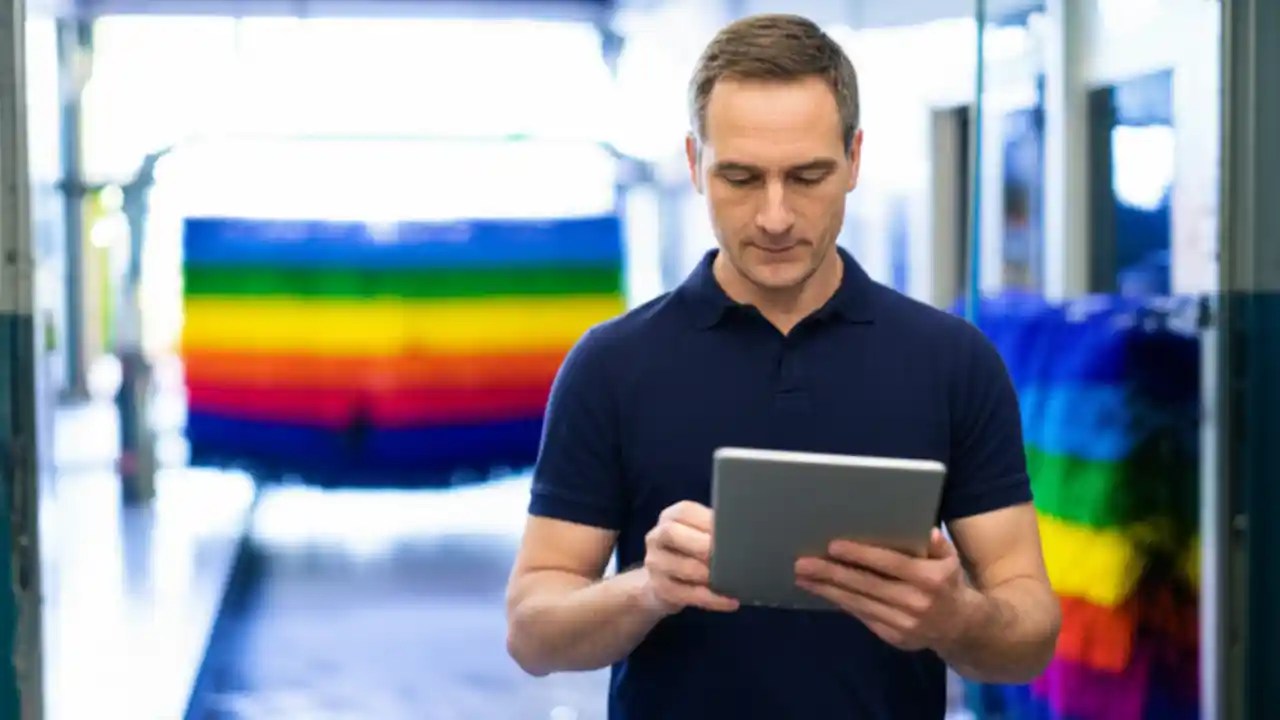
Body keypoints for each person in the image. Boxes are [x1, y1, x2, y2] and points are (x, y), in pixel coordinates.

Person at [505, 12, 1061, 719]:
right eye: (739, 177)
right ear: (693, 163)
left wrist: (953, 617)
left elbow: (1032, 632)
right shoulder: (612, 367)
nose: (774, 216)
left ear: (855, 159)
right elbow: (532, 632)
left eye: (807, 176)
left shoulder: (953, 363)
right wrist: (648, 590)